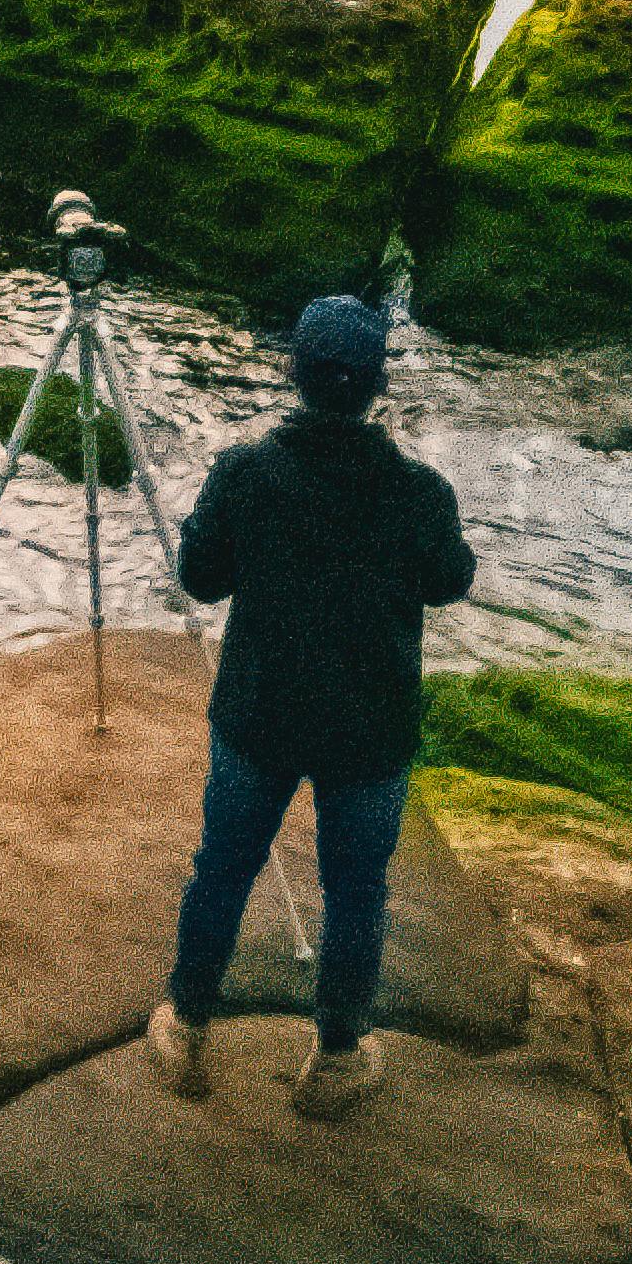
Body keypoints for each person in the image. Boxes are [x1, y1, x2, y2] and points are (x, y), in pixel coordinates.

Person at [150, 291, 472, 1120]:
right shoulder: (419, 490)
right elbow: (451, 581)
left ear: (295, 374)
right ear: (373, 387)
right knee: (357, 891)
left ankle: (186, 1025)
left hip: (261, 713)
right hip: (369, 726)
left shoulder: (245, 471)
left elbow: (200, 577)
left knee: (223, 868)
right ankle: (335, 1054)